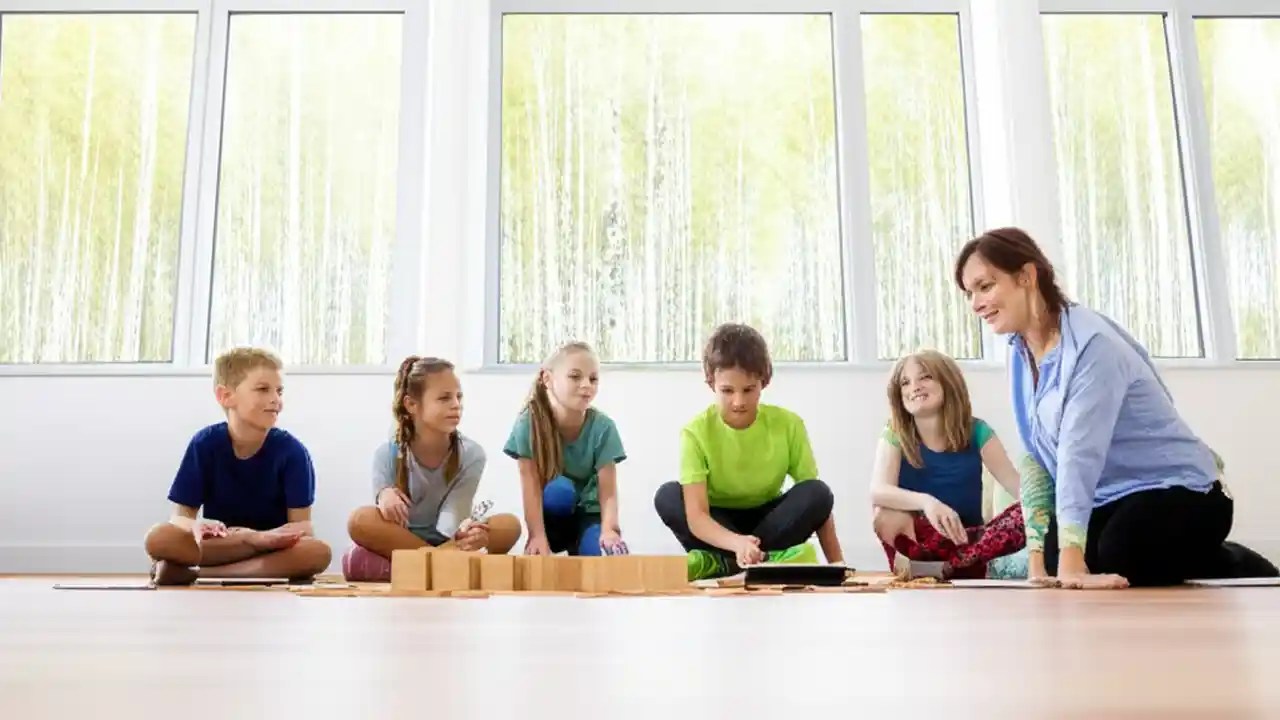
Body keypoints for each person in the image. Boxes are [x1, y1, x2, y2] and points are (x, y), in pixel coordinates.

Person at [955, 227, 1278, 588]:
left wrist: (1073, 567)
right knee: (1055, 551)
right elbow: (1035, 456)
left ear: (1026, 276)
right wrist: (1037, 560)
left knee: (1119, 552)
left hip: (1181, 489)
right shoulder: (1019, 352)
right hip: (1111, 497)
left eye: (985, 286)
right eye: (969, 293)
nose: (975, 304)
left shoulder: (1092, 345)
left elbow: (1079, 454)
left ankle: (1238, 564)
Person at [654, 323, 843, 581]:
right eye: (727, 391)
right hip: (717, 523)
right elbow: (697, 517)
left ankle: (723, 563)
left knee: (819, 492)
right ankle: (765, 559)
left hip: (770, 522)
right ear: (711, 383)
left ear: (764, 382)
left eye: (748, 389)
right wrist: (737, 542)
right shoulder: (694, 432)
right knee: (667, 496)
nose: (739, 401)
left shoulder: (790, 425)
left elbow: (816, 502)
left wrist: (837, 564)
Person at [143, 348, 332, 585]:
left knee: (317, 552)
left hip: (271, 548)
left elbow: (303, 526)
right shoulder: (204, 444)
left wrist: (261, 538)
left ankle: (199, 575)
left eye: (279, 391)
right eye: (263, 389)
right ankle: (236, 561)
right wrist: (198, 526)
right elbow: (180, 518)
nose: (276, 399)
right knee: (158, 538)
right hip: (223, 545)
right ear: (225, 396)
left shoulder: (293, 452)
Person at [343, 356, 522, 581]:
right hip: (402, 540)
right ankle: (445, 565)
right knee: (360, 519)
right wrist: (384, 495)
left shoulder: (472, 454)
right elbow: (380, 512)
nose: (456, 405)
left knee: (510, 525)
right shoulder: (387, 453)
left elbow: (453, 516)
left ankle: (431, 565)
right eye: (444, 398)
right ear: (411, 405)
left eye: (458, 397)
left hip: (449, 538)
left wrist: (472, 535)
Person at [870, 349, 1026, 579]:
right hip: (919, 543)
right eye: (905, 382)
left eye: (925, 377)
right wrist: (927, 502)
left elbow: (1018, 488)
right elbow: (878, 491)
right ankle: (924, 569)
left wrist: (1047, 504)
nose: (915, 387)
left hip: (967, 540)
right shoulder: (894, 432)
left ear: (948, 382)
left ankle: (954, 564)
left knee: (1032, 509)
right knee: (885, 514)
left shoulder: (978, 431)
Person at [505, 342, 628, 557]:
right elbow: (530, 486)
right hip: (553, 518)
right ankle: (551, 541)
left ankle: (583, 545)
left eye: (593, 379)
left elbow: (608, 491)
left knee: (601, 555)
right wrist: (536, 536)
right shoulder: (529, 424)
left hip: (589, 514)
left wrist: (609, 529)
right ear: (548, 379)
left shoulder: (604, 427)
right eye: (575, 377)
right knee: (560, 489)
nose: (586, 385)